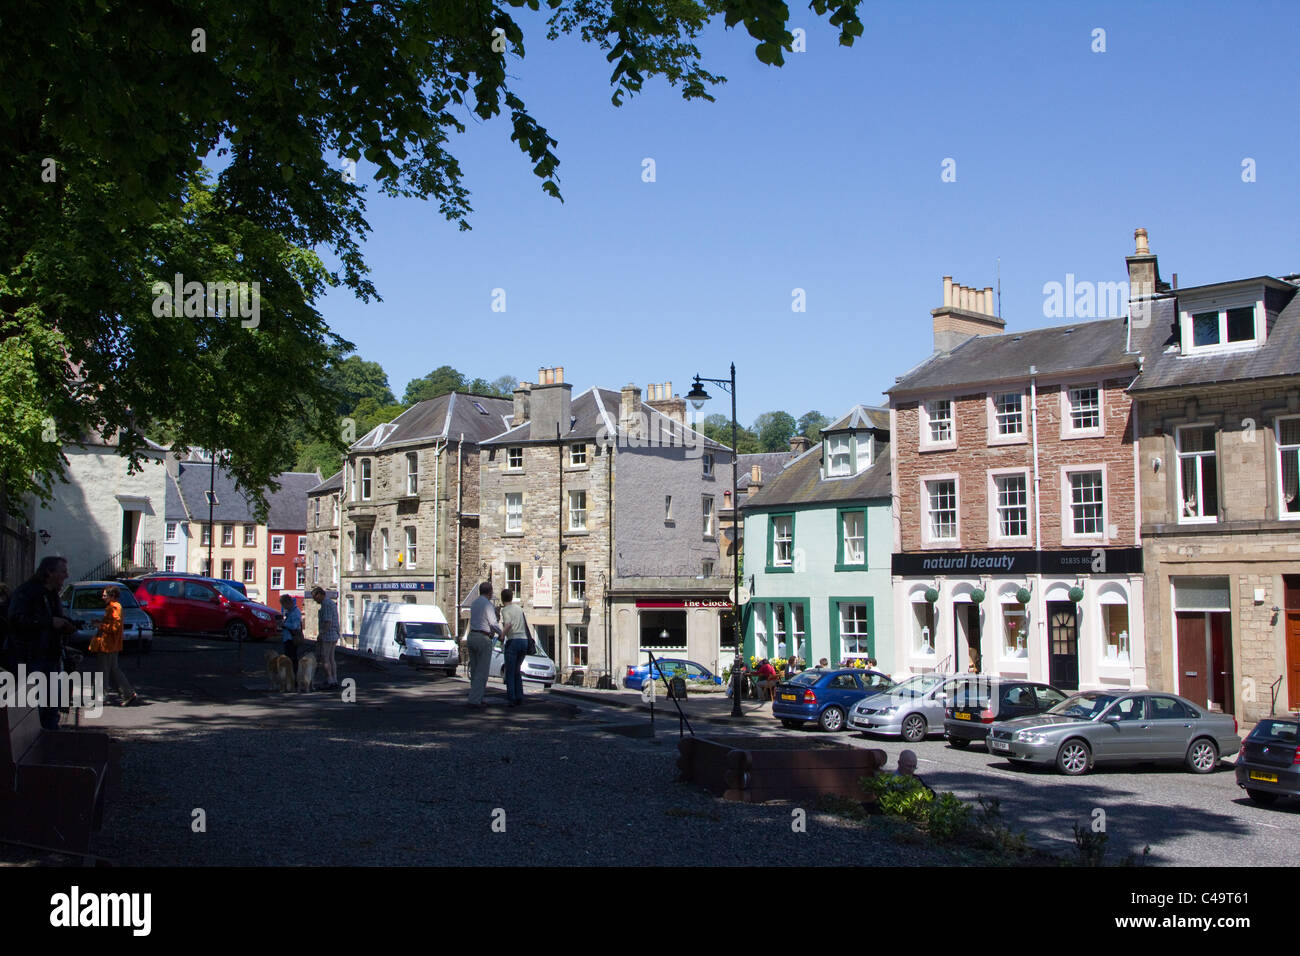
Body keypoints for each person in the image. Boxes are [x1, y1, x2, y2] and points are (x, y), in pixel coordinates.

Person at [7, 556, 76, 729]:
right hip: (31, 657)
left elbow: (57, 618)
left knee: (51, 708)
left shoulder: (51, 595)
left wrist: (67, 625)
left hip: (50, 656)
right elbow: (16, 621)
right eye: (62, 571)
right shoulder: (27, 592)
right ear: (49, 572)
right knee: (35, 708)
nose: (66, 575)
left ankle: (51, 744)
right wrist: (49, 622)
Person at [89, 586, 137, 706]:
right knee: (112, 669)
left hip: (108, 644)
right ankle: (127, 693)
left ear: (112, 596)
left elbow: (114, 627)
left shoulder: (114, 607)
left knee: (104, 670)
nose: (103, 597)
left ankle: (102, 697)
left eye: (105, 595)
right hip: (111, 644)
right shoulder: (115, 607)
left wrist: (99, 625)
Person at [466, 582, 501, 707]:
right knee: (482, 671)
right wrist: (501, 633)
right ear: (490, 592)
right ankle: (475, 700)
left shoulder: (474, 603)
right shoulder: (488, 605)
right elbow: (493, 623)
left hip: (472, 636)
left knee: (474, 670)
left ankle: (477, 697)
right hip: (483, 637)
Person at [498, 588, 528, 707]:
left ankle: (512, 698)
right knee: (517, 671)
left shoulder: (505, 610)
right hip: (524, 640)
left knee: (510, 671)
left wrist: (502, 635)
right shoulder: (519, 608)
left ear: (502, 599)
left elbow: (508, 624)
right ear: (512, 597)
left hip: (513, 640)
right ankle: (519, 696)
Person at [311, 587, 340, 689]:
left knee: (325, 658)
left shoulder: (326, 604)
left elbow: (328, 621)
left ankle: (330, 680)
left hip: (328, 634)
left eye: (315, 597)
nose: (315, 600)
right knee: (331, 658)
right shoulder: (331, 603)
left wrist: (321, 634)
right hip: (334, 633)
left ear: (320, 594)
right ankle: (334, 679)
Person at [279, 595, 302, 669]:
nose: (283, 607)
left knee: (292, 658)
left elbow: (295, 626)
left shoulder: (295, 612)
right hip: (288, 638)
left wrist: (284, 624)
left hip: (291, 639)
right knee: (289, 658)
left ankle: (293, 676)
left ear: (287, 603)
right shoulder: (291, 611)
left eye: (283, 605)